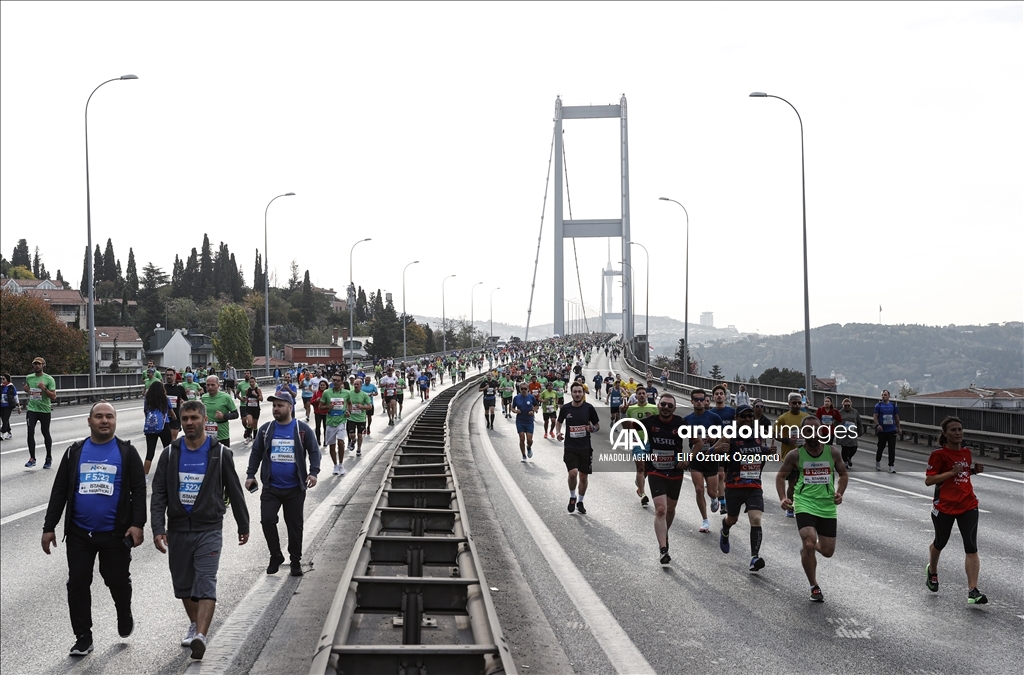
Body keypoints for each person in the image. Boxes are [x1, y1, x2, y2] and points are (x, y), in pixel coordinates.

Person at [41, 401, 146, 657]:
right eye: (98, 416)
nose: (104, 421)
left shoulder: (126, 452)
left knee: (116, 580)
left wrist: (137, 524)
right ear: (89, 421)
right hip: (79, 533)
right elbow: (59, 491)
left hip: (115, 533)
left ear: (115, 421)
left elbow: (139, 490)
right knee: (77, 583)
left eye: (109, 416)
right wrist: (49, 526)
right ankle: (83, 637)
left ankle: (124, 611)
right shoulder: (74, 452)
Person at [150, 399, 250, 660]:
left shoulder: (220, 453)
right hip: (179, 529)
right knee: (183, 585)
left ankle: (201, 636)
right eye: (185, 419)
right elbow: (158, 492)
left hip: (209, 528)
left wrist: (243, 523)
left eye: (195, 418)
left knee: (205, 581)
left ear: (205, 421)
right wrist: (158, 527)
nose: (190, 423)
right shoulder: (170, 454)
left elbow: (235, 491)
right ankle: (195, 624)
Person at [245, 392, 320, 577]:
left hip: (295, 488)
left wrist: (313, 473)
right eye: (274, 406)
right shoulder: (266, 429)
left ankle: (295, 561)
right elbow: (256, 453)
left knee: (294, 525)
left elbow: (314, 451)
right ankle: (276, 555)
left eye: (280, 405)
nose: (276, 409)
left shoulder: (301, 429)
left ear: (290, 407)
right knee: (267, 520)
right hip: (272, 488)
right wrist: (250, 474)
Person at [775, 416, 848, 602]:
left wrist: (839, 492)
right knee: (808, 542)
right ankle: (814, 586)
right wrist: (783, 497)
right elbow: (780, 477)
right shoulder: (795, 455)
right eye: (808, 430)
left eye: (816, 430)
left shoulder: (832, 452)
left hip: (827, 505)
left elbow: (843, 474)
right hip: (804, 502)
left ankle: (808, 550)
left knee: (828, 551)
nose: (813, 434)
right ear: (802, 433)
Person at [925, 417, 987, 605]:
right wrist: (951, 473)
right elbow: (929, 481)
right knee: (940, 542)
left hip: (968, 505)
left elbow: (963, 473)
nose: (958, 433)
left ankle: (973, 590)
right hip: (944, 506)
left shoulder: (966, 453)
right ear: (945, 433)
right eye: (953, 430)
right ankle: (932, 571)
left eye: (960, 429)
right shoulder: (938, 455)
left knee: (971, 546)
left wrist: (973, 471)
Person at [719, 404, 768, 572]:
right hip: (734, 485)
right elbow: (716, 456)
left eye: (750, 416)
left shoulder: (758, 435)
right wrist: (721, 451)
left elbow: (761, 455)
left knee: (755, 519)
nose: (747, 419)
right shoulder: (729, 435)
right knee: (732, 519)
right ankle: (725, 529)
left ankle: (754, 557)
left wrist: (767, 451)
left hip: (754, 485)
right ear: (736, 418)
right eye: (743, 416)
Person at [639, 393, 687, 564]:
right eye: (663, 404)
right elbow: (627, 426)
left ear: (674, 408)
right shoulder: (650, 422)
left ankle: (664, 534)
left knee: (671, 509)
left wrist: (687, 458)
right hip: (656, 471)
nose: (666, 407)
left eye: (669, 405)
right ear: (658, 406)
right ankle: (663, 549)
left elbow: (697, 442)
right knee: (661, 509)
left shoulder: (681, 423)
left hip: (675, 472)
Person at [682, 389, 726, 532]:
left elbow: (724, 436)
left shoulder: (714, 418)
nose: (700, 402)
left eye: (702, 399)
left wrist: (715, 439)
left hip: (711, 457)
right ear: (692, 401)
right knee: (699, 489)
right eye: (697, 399)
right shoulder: (687, 419)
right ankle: (705, 520)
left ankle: (714, 498)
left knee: (712, 492)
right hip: (696, 457)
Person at [555, 383, 600, 515]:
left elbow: (597, 425)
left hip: (585, 447)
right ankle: (572, 496)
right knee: (573, 473)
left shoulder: (589, 408)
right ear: (571, 393)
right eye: (574, 392)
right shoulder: (566, 408)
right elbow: (559, 421)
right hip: (570, 447)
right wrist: (558, 432)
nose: (577, 394)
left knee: (584, 477)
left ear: (583, 393)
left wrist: (593, 429)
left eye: (579, 392)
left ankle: (580, 501)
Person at [623, 386, 658, 507]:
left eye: (644, 393)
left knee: (647, 468)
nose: (642, 395)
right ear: (636, 396)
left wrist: (651, 419)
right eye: (640, 394)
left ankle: (639, 484)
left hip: (651, 442)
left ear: (647, 396)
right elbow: (625, 426)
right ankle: (643, 494)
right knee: (641, 466)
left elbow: (659, 425)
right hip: (637, 440)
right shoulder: (631, 409)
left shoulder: (654, 408)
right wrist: (623, 414)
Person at [773, 393, 807, 518]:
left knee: (804, 483)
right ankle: (790, 506)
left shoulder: (806, 417)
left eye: (799, 403)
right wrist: (787, 440)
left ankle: (803, 505)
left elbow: (814, 432)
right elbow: (774, 434)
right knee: (792, 483)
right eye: (794, 403)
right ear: (789, 404)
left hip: (805, 455)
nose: (797, 405)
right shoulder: (782, 418)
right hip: (789, 456)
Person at [24, 356, 57, 468]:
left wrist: (44, 388)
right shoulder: (29, 377)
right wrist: (27, 390)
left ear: (43, 365)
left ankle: (48, 458)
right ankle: (32, 458)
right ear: (32, 365)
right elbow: (31, 392)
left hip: (44, 410)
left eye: (39, 364)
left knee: (45, 433)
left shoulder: (49, 379)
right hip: (32, 409)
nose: (37, 366)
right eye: (35, 364)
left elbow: (53, 396)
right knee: (30, 432)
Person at [143, 381, 175, 479]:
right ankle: (171, 474)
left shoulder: (147, 399)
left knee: (150, 453)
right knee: (169, 450)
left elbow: (145, 412)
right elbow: (171, 412)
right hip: (164, 426)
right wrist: (174, 418)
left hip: (151, 427)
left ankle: (144, 477)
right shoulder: (165, 399)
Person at [320, 374, 349, 476]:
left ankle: (341, 464)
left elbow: (349, 403)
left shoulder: (346, 393)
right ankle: (335, 465)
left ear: (342, 382)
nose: (336, 382)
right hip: (330, 422)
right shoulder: (326, 393)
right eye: (334, 380)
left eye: (338, 381)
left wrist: (348, 411)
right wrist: (328, 407)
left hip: (341, 421)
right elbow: (320, 406)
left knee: (341, 443)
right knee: (332, 446)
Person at [201, 376, 239, 447]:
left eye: (212, 385)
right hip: (207, 433)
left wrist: (224, 416)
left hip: (222, 434)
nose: (210, 387)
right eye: (208, 385)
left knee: (223, 457)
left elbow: (236, 414)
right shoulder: (204, 397)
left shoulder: (226, 397)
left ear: (218, 385)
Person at [873, 389, 902, 473]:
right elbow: (875, 416)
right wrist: (878, 425)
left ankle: (891, 465)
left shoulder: (893, 406)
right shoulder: (878, 405)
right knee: (881, 447)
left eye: (885, 395)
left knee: (892, 448)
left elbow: (896, 417)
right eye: (882, 395)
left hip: (892, 430)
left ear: (889, 396)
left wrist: (899, 428)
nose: (883, 396)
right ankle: (878, 461)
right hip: (882, 431)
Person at [511, 382, 538, 461]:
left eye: (525, 389)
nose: (523, 390)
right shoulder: (516, 398)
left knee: (529, 440)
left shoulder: (531, 397)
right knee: (522, 438)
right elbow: (512, 408)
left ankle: (529, 447)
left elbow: (536, 406)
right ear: (519, 389)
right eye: (522, 389)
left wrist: (533, 411)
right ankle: (523, 455)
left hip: (529, 421)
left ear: (528, 389)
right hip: (520, 421)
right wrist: (515, 411)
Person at [346, 379, 373, 456]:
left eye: (357, 384)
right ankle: (353, 441)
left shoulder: (364, 395)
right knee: (352, 434)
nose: (356, 386)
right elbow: (345, 403)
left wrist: (362, 407)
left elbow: (370, 406)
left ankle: (358, 449)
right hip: (351, 417)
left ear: (361, 385)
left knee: (360, 434)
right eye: (355, 384)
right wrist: (347, 410)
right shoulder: (349, 393)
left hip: (361, 418)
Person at [164, 368, 186, 442]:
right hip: (164, 417)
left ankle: (173, 453)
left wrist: (183, 402)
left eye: (171, 375)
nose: (169, 377)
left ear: (175, 376)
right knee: (167, 440)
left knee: (173, 439)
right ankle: (168, 452)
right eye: (167, 375)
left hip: (175, 417)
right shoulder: (162, 388)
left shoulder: (179, 388)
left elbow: (186, 400)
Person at [241, 375, 264, 444]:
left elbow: (261, 399)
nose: (251, 383)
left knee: (255, 424)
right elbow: (247, 398)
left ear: (255, 382)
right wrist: (245, 398)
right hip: (249, 409)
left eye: (253, 382)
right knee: (250, 422)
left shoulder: (258, 390)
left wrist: (256, 395)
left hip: (256, 409)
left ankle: (255, 438)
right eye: (250, 382)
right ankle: (248, 437)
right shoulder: (247, 390)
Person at [838, 398, 860, 469]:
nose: (847, 407)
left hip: (852, 433)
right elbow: (836, 422)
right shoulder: (840, 412)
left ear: (851, 405)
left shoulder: (855, 412)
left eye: (848, 405)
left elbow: (859, 422)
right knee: (845, 447)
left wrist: (860, 431)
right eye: (845, 406)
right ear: (843, 405)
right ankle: (845, 462)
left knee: (854, 447)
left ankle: (849, 457)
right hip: (843, 432)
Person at [1, 373, 20, 439]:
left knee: (5, 419)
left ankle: (2, 432)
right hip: (1, 406)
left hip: (8, 406)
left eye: (3, 379)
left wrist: (18, 406)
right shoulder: (1, 386)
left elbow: (15, 397)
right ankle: (9, 432)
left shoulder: (11, 387)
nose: (2, 380)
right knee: (4, 420)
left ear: (7, 379)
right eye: (2, 379)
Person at [311, 380, 329, 444]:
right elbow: (311, 402)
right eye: (321, 385)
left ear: (326, 386)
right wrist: (316, 400)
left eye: (323, 385)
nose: (322, 386)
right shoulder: (316, 393)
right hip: (318, 413)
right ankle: (318, 440)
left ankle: (325, 440)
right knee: (318, 427)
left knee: (326, 427)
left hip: (326, 413)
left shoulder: (328, 393)